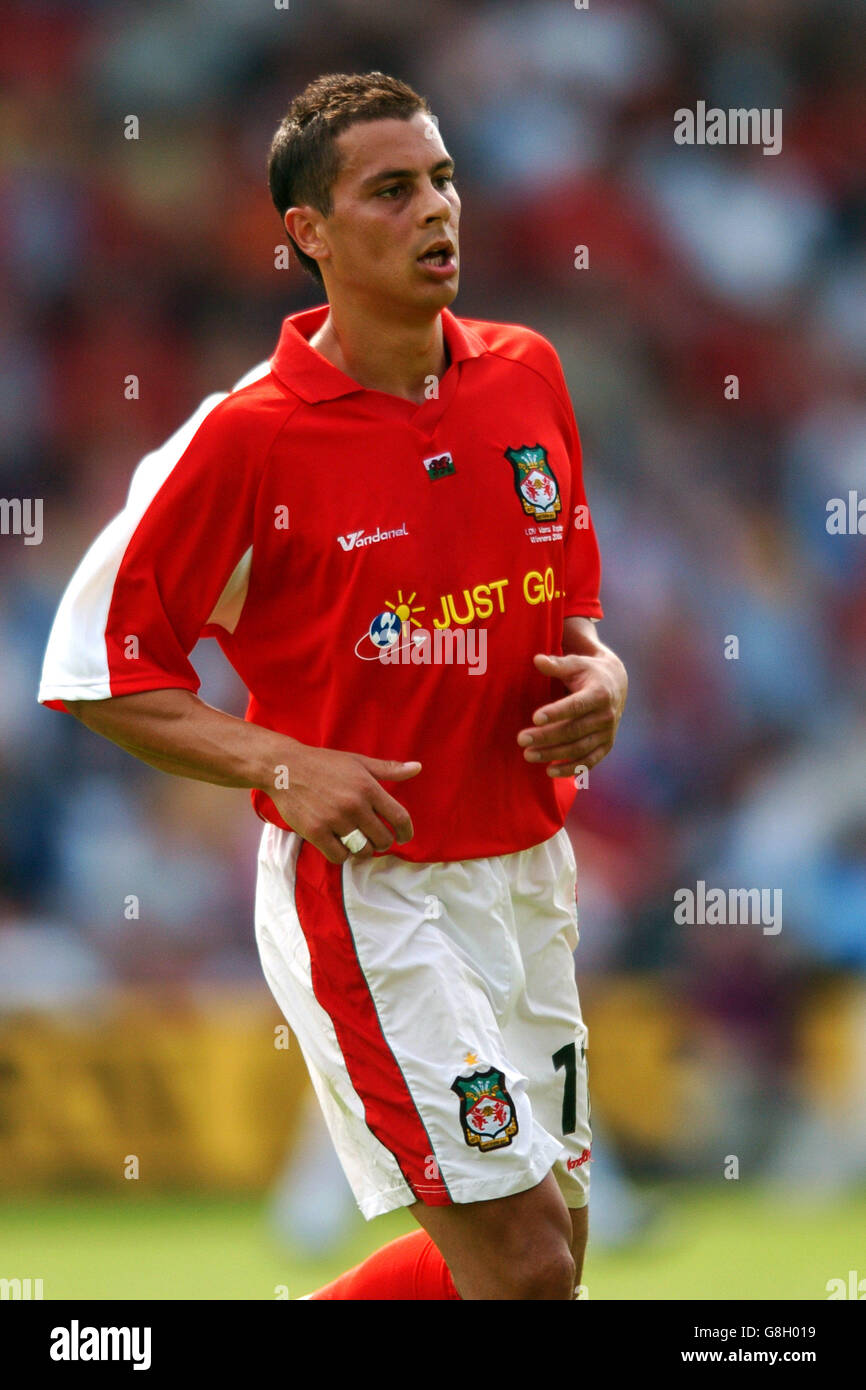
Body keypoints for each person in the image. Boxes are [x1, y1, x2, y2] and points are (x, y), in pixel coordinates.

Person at [38, 71, 628, 1300]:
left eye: (445, 179)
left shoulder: (527, 372)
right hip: (374, 897)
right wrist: (277, 759)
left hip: (525, 873)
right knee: (524, 1271)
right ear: (306, 232)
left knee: (549, 1255)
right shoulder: (245, 437)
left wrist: (603, 674)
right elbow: (95, 670)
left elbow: (565, 601)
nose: (436, 210)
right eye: (393, 189)